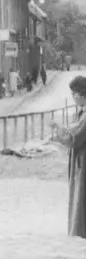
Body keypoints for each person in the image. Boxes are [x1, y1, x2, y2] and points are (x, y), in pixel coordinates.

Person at [53, 77, 86, 238]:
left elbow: (74, 137)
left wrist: (59, 133)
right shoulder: (82, 112)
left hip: (83, 163)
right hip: (80, 161)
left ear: (82, 94)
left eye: (74, 94)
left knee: (81, 200)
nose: (73, 97)